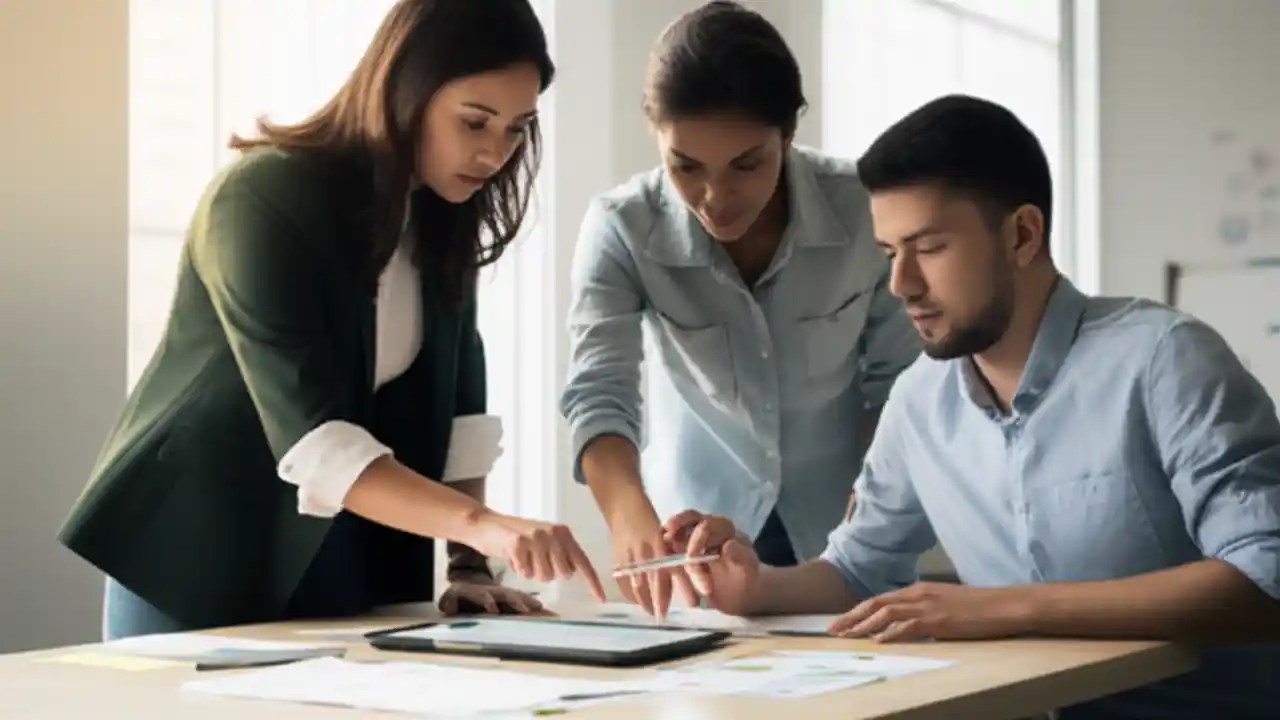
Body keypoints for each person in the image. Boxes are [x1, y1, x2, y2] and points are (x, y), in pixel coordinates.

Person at [667, 95, 1280, 718]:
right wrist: (756, 587)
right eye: (890, 253)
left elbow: (1266, 577)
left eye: (929, 248)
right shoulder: (919, 398)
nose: (902, 284)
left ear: (1022, 235)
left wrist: (1007, 607)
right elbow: (857, 570)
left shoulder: (1164, 358)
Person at [59, 0, 604, 641]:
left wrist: (470, 564)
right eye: (474, 121)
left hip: (328, 558)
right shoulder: (261, 196)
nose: (495, 153)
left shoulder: (439, 219)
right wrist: (485, 526)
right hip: (192, 548)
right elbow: (313, 437)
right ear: (406, 89)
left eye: (517, 129)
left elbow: (460, 415)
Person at [559, 1, 918, 620]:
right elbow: (599, 392)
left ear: (788, 135)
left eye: (747, 164)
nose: (715, 197)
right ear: (656, 136)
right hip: (697, 553)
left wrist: (878, 506)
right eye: (685, 166)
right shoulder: (622, 227)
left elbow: (901, 389)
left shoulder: (866, 210)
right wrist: (629, 518)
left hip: (846, 546)